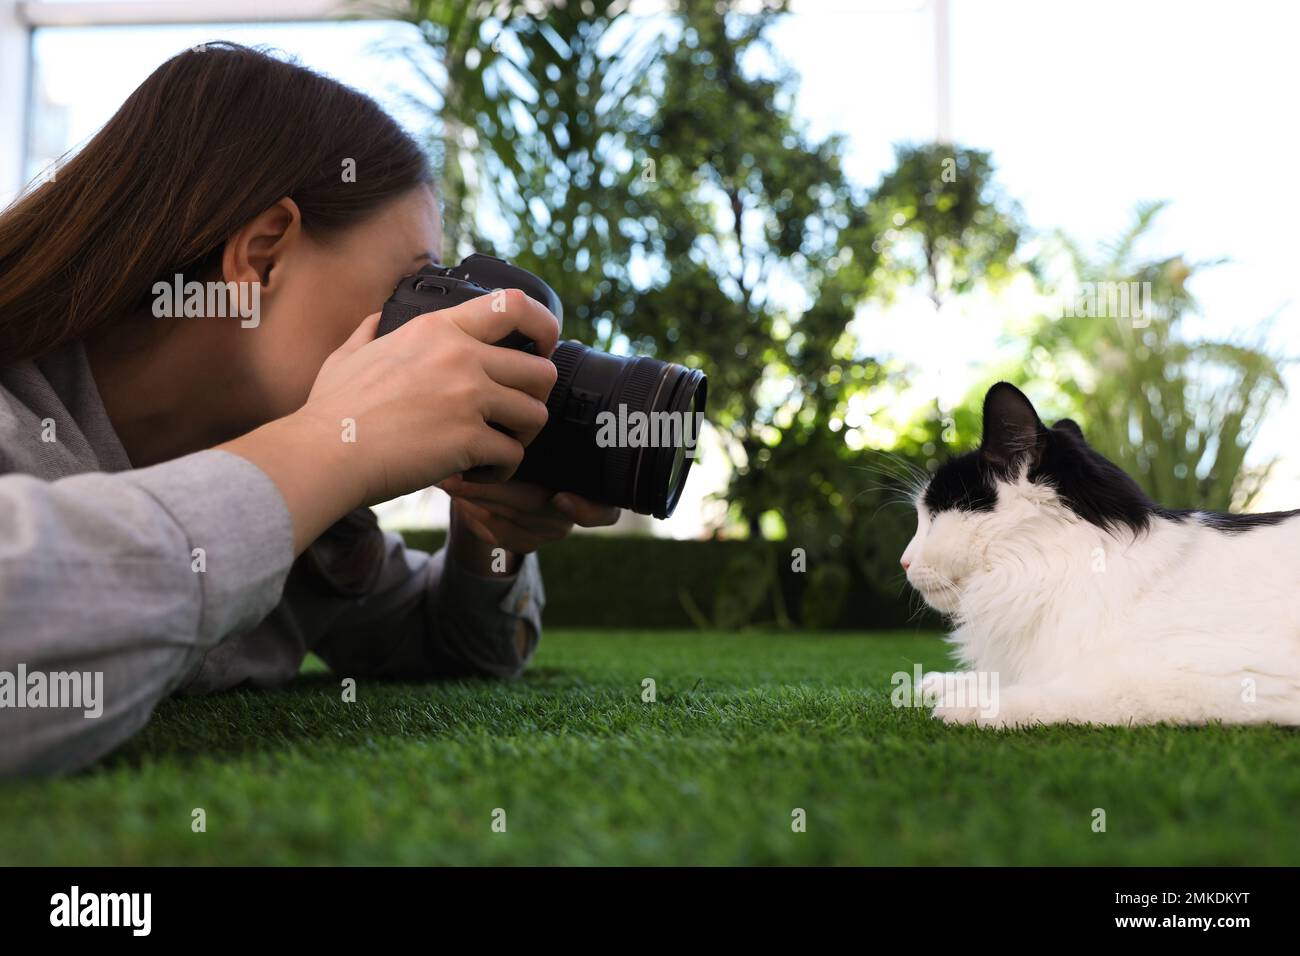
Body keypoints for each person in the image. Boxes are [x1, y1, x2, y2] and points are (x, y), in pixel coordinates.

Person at [0, 43, 619, 777]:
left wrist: (491, 530)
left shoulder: (308, 515)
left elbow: (453, 648)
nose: (433, 338)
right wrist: (325, 448)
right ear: (262, 255)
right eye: (416, 292)